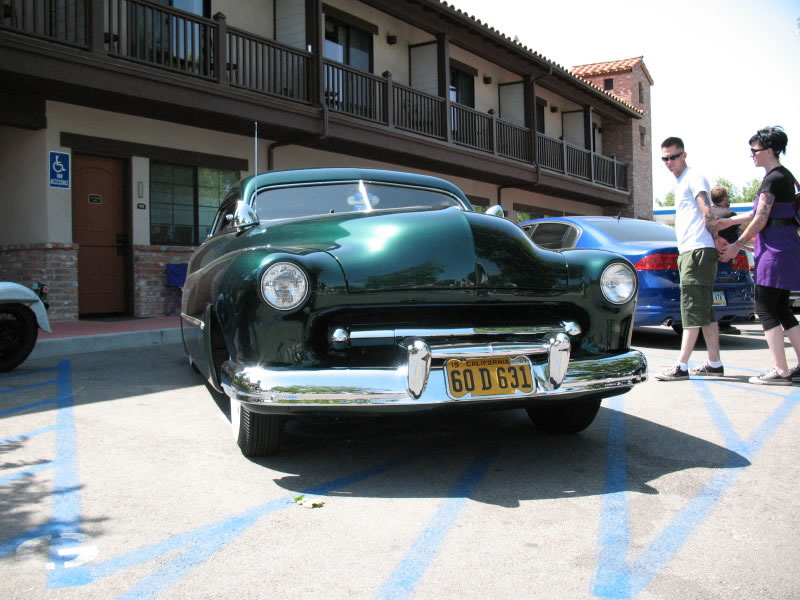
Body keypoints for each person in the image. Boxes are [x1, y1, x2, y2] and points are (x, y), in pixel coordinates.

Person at [718, 126, 800, 385]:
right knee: (781, 308)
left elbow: (761, 219)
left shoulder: (772, 179)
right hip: (786, 246)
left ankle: (780, 371)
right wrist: (728, 223)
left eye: (754, 150)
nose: (751, 154)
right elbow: (762, 214)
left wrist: (736, 245)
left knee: (764, 308)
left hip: (774, 250)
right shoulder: (784, 176)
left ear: (770, 150)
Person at [655, 137, 728, 381]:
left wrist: (715, 236)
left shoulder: (694, 177)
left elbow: (707, 209)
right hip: (694, 251)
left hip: (697, 251)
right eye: (665, 158)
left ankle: (681, 366)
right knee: (704, 311)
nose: (669, 162)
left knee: (690, 309)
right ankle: (714, 364)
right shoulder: (681, 182)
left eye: (673, 157)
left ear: (684, 155)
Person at [709, 186, 742, 335]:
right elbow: (744, 229)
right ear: (724, 199)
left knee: (711, 289)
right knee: (726, 289)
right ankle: (725, 323)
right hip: (727, 257)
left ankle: (713, 322)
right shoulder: (729, 214)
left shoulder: (708, 213)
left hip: (709, 257)